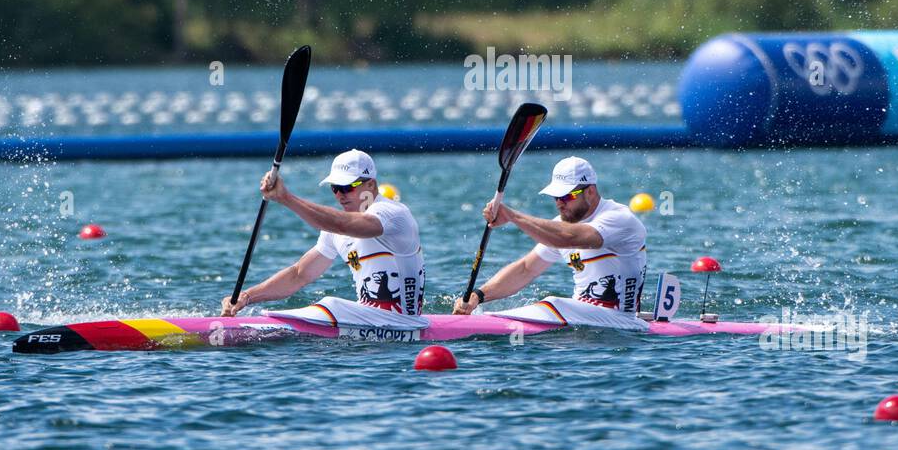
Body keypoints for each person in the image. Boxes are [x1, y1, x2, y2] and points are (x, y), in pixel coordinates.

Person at [221, 149, 425, 316]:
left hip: (404, 322)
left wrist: (285, 198)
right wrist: (247, 296)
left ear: (371, 184)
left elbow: (343, 224)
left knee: (331, 305)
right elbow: (299, 275)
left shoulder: (393, 214)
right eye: (335, 188)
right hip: (368, 322)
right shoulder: (335, 231)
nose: (340, 195)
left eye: (348, 187)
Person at [452, 156, 646, 315]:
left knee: (553, 303)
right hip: (583, 325)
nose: (560, 203)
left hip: (621, 320)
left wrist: (512, 215)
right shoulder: (561, 226)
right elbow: (526, 269)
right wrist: (478, 295)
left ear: (590, 192)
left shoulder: (618, 219)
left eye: (567, 196)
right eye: (556, 197)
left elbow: (568, 238)